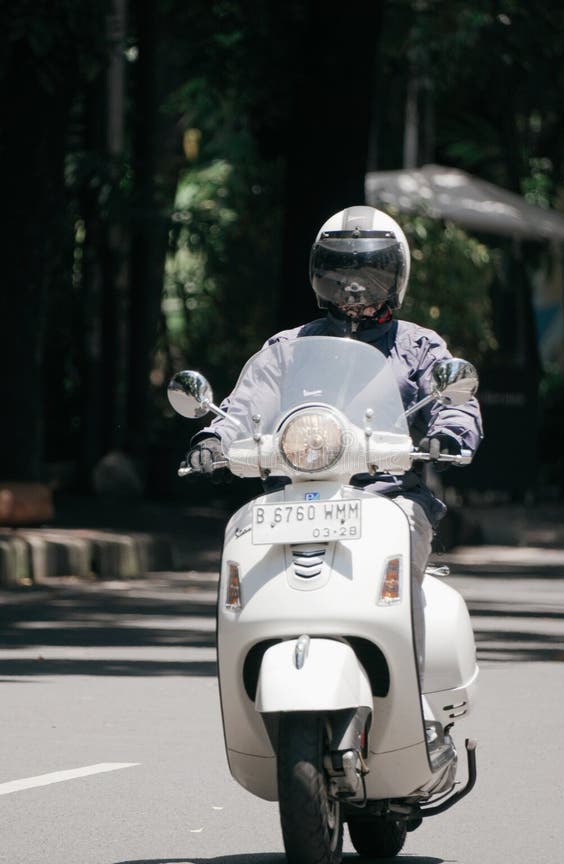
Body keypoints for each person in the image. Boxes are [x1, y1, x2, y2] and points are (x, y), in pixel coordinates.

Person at [186, 205, 483, 674]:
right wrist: (215, 439)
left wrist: (451, 432)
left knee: (402, 562)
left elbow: (454, 398)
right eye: (338, 273)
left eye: (372, 272)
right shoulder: (287, 348)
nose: (354, 288)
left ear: (397, 277)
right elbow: (245, 405)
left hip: (387, 498)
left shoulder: (418, 346)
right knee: (243, 562)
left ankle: (417, 696)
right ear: (317, 277)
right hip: (292, 498)